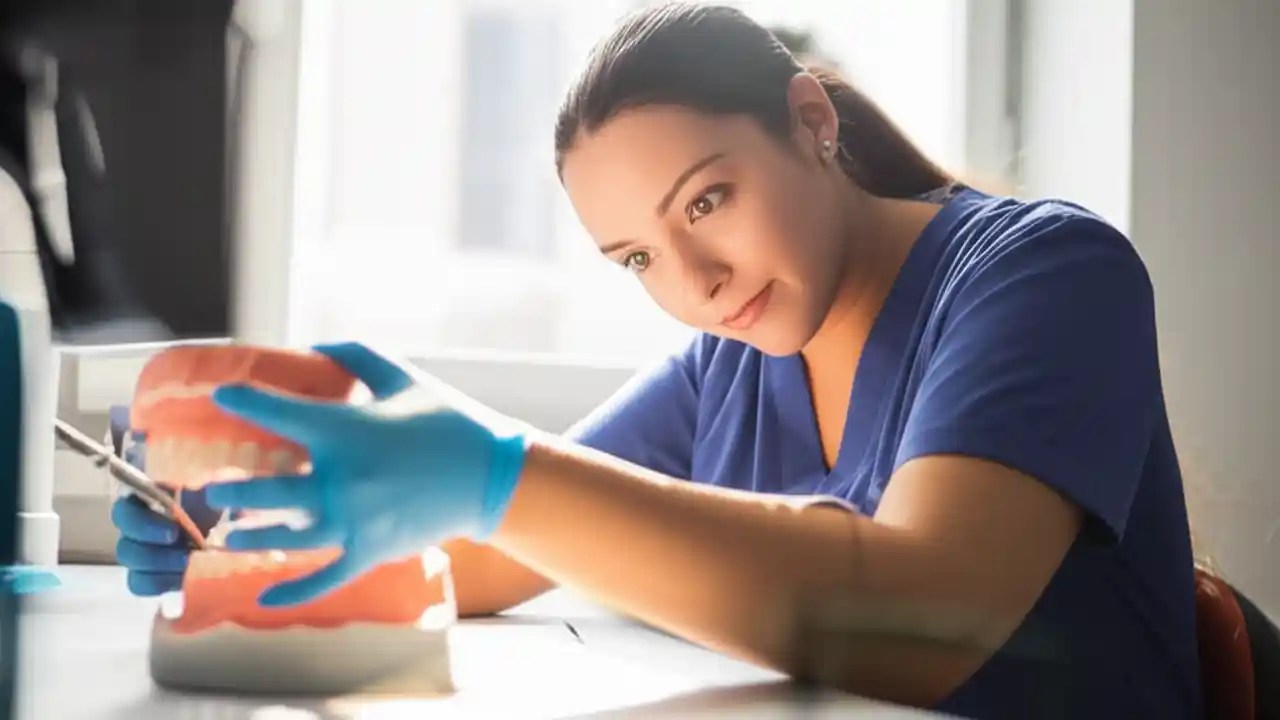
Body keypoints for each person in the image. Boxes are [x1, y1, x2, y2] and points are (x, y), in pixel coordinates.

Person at [112, 3, 1204, 717]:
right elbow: (501, 549)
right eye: (637, 255)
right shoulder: (725, 364)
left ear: (809, 119)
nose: (694, 282)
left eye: (708, 202)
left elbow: (929, 614)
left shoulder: (1043, 274)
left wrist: (487, 468)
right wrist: (251, 529)